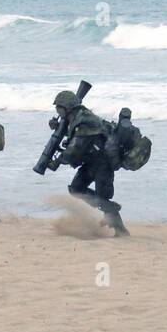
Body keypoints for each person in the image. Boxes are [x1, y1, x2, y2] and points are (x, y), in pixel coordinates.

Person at [48, 89, 128, 236]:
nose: (57, 112)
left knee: (102, 197)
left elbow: (74, 149)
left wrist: (57, 161)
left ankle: (120, 228)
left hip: (102, 163)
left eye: (59, 108)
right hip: (91, 162)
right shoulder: (77, 118)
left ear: (67, 107)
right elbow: (76, 136)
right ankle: (109, 209)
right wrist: (60, 128)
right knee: (76, 189)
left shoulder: (84, 121)